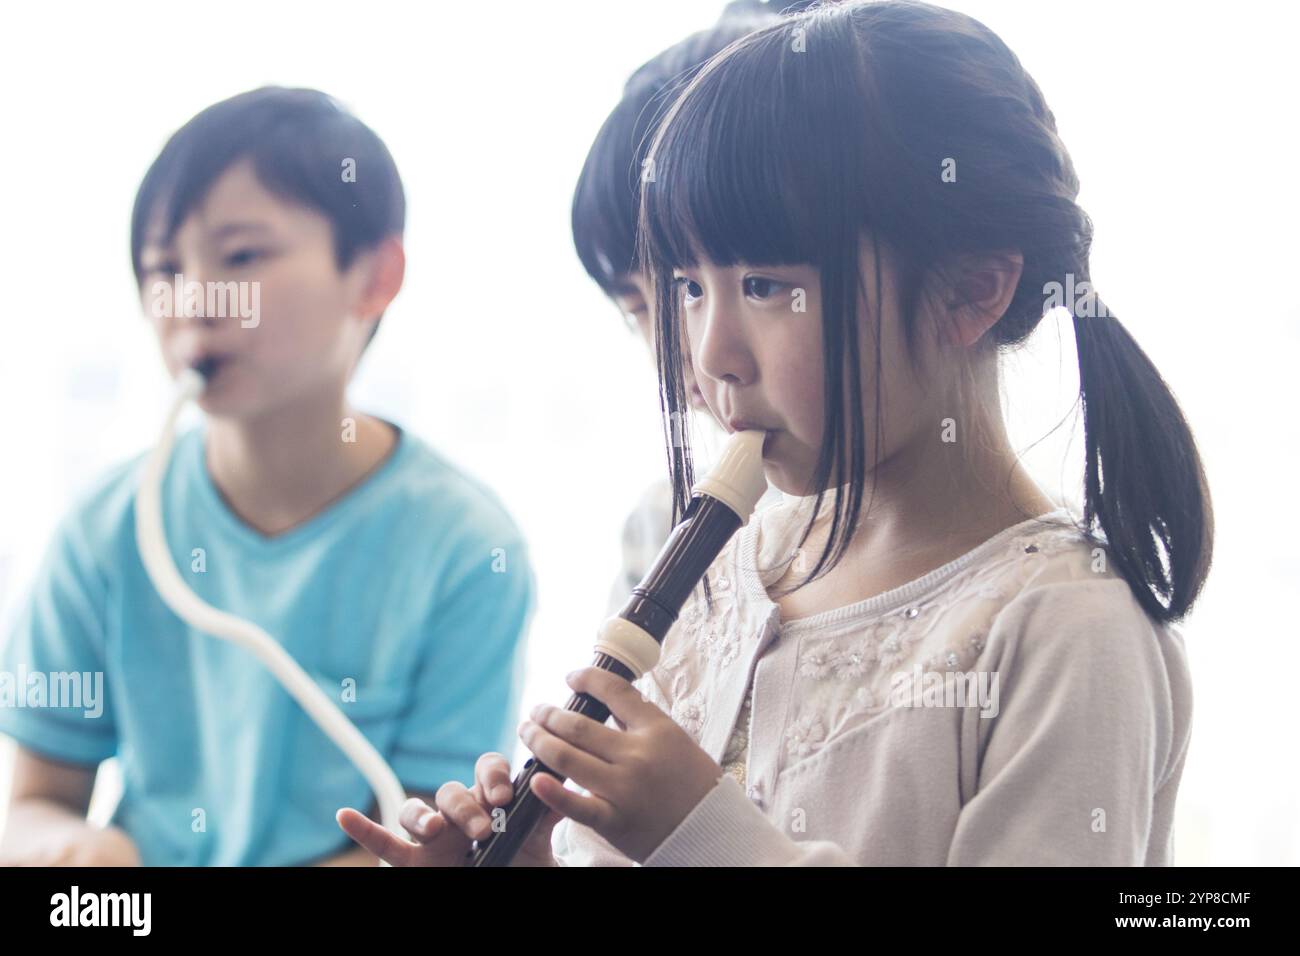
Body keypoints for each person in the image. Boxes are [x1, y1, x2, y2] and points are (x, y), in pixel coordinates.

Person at [339, 0, 1211, 866]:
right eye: (686, 286)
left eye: (763, 285)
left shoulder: (1069, 627)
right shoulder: (727, 562)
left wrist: (705, 835)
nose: (708, 353)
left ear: (970, 290)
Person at [0, 87, 537, 866]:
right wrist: (73, 856)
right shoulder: (107, 527)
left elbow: (431, 845)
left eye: (242, 257)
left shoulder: (465, 548)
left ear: (375, 275)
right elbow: (32, 803)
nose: (194, 300)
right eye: (163, 267)